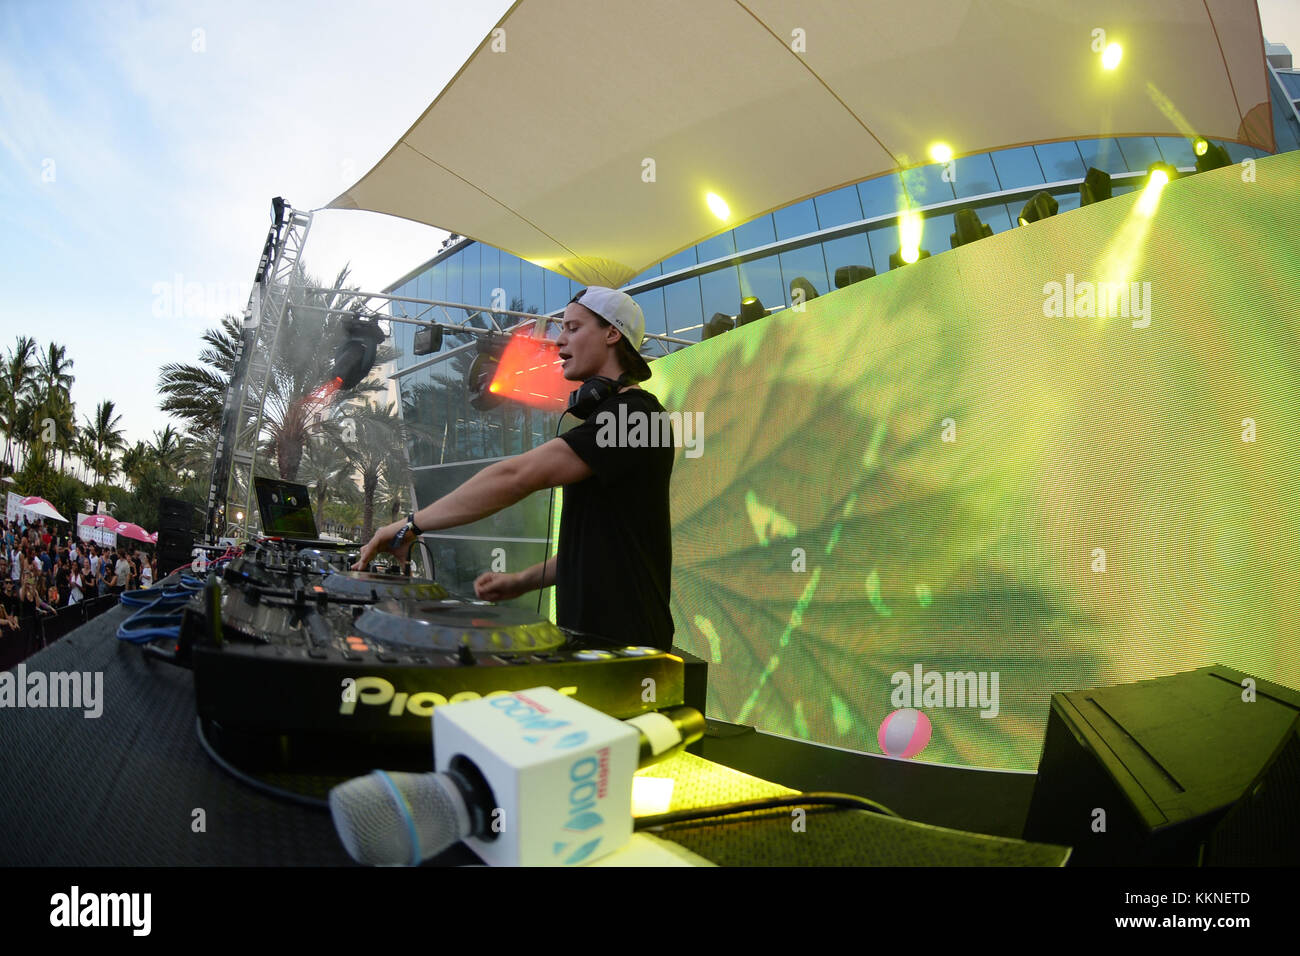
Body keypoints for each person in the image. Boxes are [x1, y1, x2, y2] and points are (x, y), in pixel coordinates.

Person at [353, 286, 676, 650]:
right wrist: (520, 581)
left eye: (572, 327)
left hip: (630, 647)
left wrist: (410, 525)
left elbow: (516, 477)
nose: (559, 340)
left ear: (612, 333)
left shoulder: (635, 416)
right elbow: (594, 549)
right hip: (598, 640)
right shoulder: (617, 416)